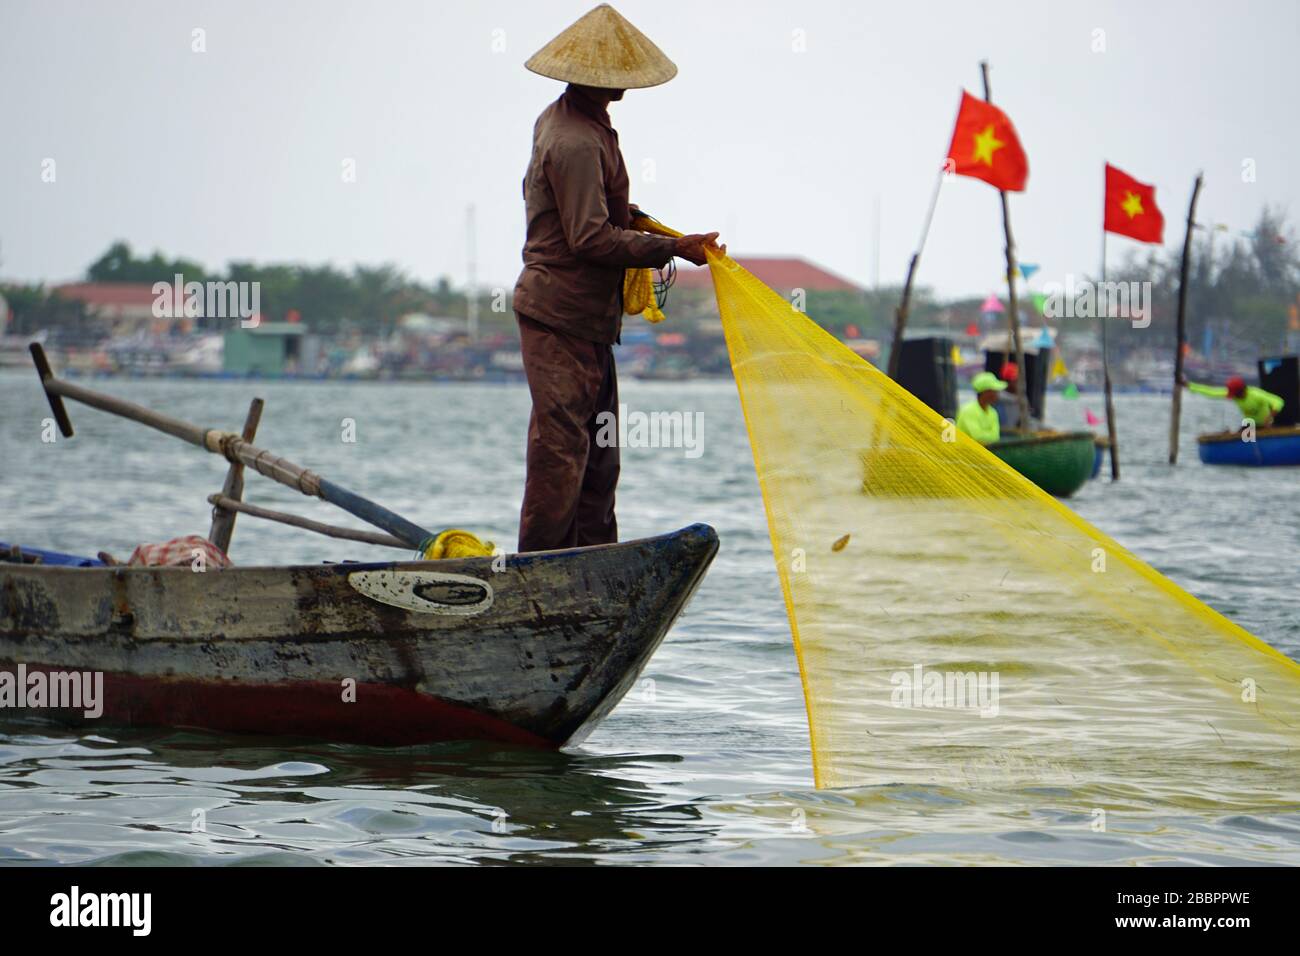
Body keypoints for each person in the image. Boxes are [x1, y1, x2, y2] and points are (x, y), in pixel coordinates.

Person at [512, 4, 723, 553]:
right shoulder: (576, 141)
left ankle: (592, 564)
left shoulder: (582, 123)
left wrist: (641, 225)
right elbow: (590, 239)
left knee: (599, 458)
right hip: (560, 315)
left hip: (587, 321)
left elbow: (597, 220)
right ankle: (539, 571)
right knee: (562, 453)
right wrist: (673, 248)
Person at [1185, 375, 1285, 429]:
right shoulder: (1235, 395)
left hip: (1266, 426)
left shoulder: (1256, 394)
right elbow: (1211, 392)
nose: (1234, 397)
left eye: (1235, 395)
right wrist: (1189, 385)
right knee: (1247, 439)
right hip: (1249, 425)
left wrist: (1269, 418)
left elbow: (1278, 402)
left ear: (1242, 391)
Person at [956, 371, 1007, 445]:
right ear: (985, 392)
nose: (997, 393)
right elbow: (977, 437)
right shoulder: (968, 411)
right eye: (994, 390)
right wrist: (989, 436)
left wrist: (987, 436)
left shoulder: (993, 412)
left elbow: (996, 437)